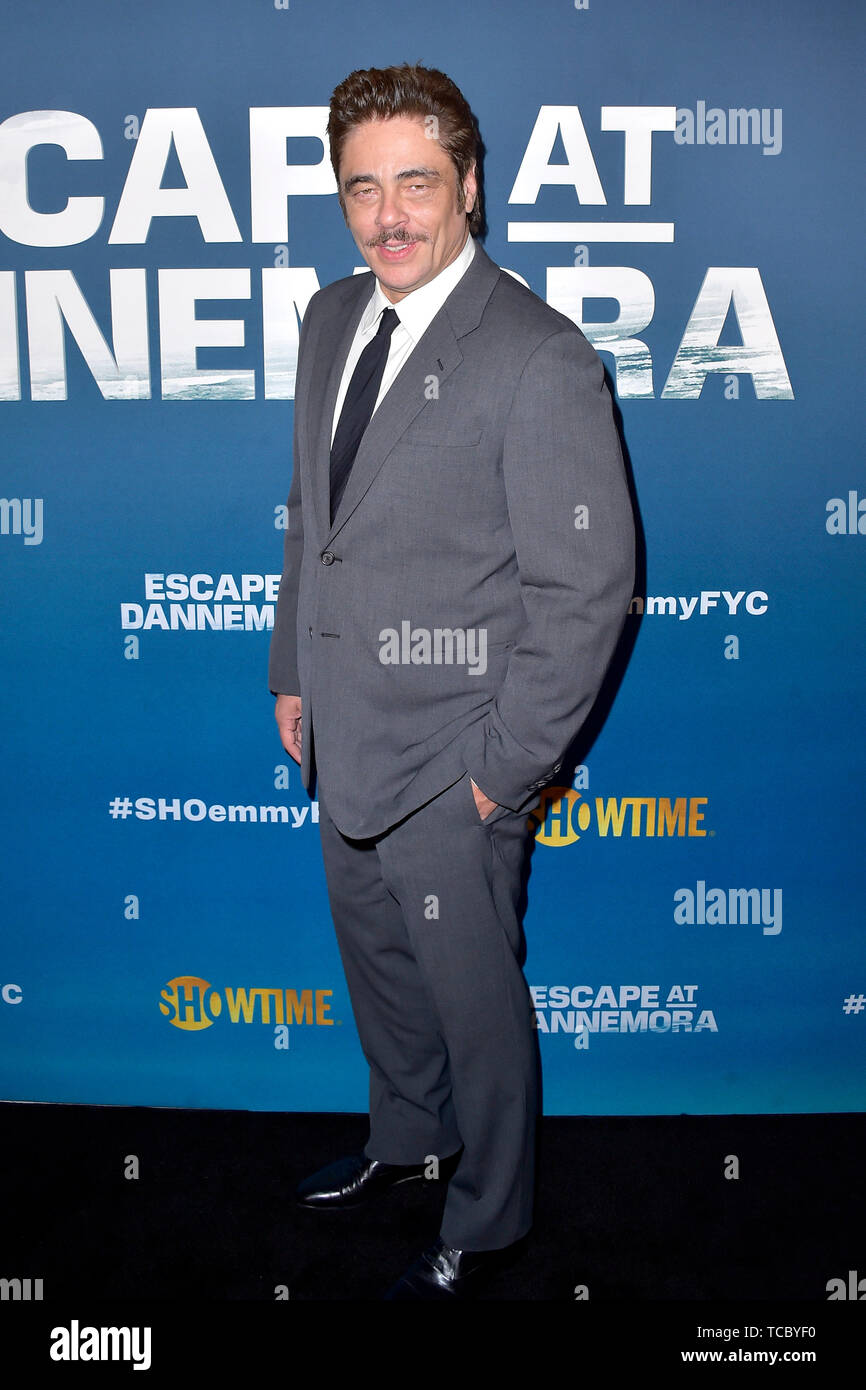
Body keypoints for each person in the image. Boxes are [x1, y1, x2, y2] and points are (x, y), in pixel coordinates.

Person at [269, 62, 635, 1300]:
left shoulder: (538, 359)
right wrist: (291, 669)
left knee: (475, 1005)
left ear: (468, 186)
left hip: (455, 760)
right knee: (380, 972)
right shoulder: (327, 318)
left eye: (415, 182)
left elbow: (583, 594)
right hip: (341, 733)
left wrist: (495, 778)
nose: (388, 216)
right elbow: (309, 518)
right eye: (361, 188)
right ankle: (407, 1143)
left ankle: (489, 1221)